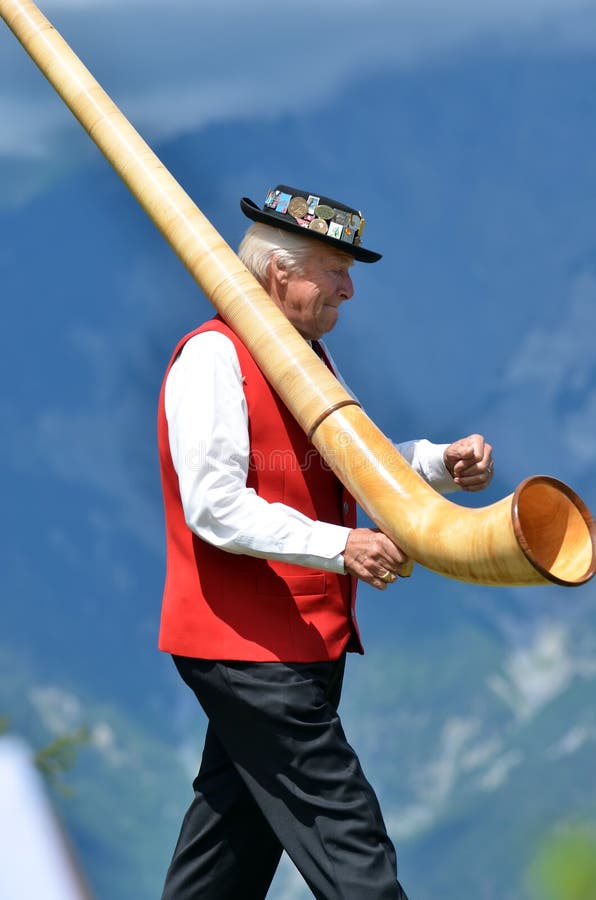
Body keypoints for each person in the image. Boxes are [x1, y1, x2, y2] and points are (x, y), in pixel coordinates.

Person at [157, 184, 494, 900]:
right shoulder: (211, 358)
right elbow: (213, 506)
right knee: (350, 841)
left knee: (226, 854)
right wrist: (342, 546)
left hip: (292, 643)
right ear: (281, 273)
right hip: (246, 648)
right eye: (335, 270)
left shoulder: (305, 356)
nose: (349, 289)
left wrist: (440, 463)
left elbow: (349, 458)